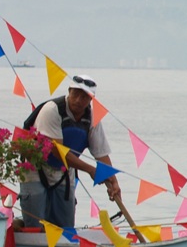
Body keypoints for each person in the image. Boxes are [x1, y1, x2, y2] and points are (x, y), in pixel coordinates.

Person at [20, 73, 121, 229]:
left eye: (84, 97)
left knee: (65, 226)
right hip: (36, 169)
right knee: (35, 224)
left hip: (64, 173)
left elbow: (101, 153)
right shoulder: (52, 109)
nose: (78, 101)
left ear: (91, 99)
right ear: (69, 91)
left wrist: (112, 181)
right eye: (75, 94)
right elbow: (57, 151)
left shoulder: (92, 118)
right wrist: (90, 169)